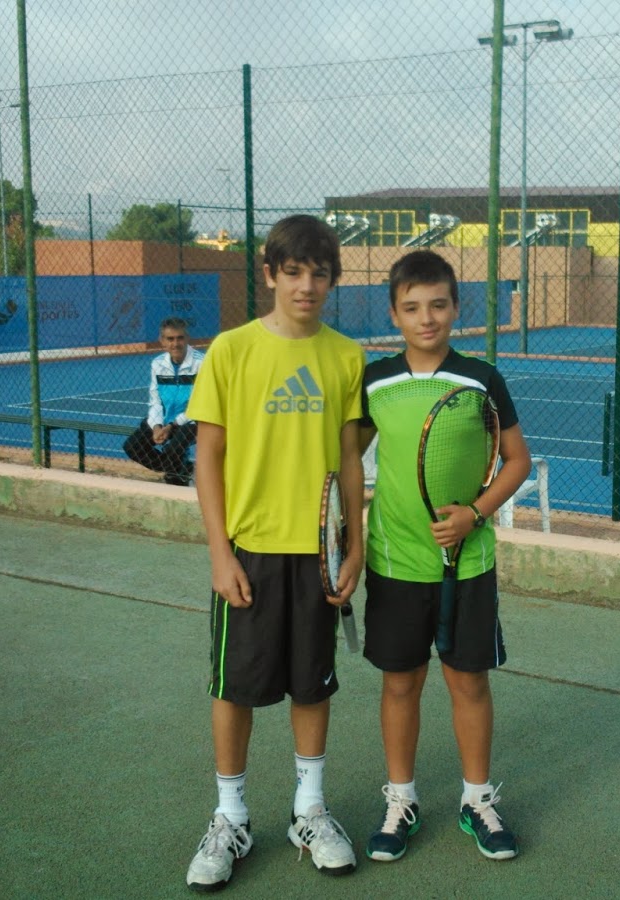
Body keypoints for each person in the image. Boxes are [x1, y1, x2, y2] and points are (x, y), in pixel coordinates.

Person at [183, 214, 367, 892]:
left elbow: (351, 459)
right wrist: (219, 553)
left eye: (319, 274)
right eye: (293, 272)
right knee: (233, 687)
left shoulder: (346, 357)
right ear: (269, 275)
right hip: (250, 551)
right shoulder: (231, 351)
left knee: (312, 683)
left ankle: (308, 811)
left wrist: (354, 544)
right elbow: (207, 459)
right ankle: (230, 817)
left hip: (318, 555)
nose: (306, 286)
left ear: (333, 281)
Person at [357, 250, 531, 864]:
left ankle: (477, 800)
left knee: (469, 681)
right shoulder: (374, 380)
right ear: (394, 314)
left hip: (469, 564)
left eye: (437, 305)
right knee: (400, 684)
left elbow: (517, 461)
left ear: (456, 307)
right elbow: (345, 458)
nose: (426, 318)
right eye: (411, 308)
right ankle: (400, 801)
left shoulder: (483, 379)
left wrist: (474, 514)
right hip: (394, 563)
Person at [122, 317, 203, 486]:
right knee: (132, 447)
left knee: (174, 450)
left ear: (187, 338)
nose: (175, 344)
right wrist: (157, 426)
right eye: (170, 339)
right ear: (162, 341)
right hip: (165, 420)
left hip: (193, 420)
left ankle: (176, 477)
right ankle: (181, 468)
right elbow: (155, 401)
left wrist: (172, 425)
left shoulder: (202, 363)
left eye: (180, 338)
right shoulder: (157, 364)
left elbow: (200, 404)